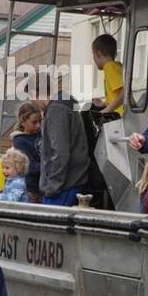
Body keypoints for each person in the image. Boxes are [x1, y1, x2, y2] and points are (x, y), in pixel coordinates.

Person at [39, 78, 89, 206]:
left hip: (64, 186)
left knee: (49, 223)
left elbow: (60, 153)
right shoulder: (65, 106)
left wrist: (52, 187)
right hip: (69, 182)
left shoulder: (56, 111)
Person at [11, 101, 44, 202]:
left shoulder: (41, 135)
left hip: (44, 187)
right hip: (32, 191)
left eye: (40, 121)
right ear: (23, 122)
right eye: (34, 122)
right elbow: (30, 167)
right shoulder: (20, 141)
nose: (38, 125)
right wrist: (51, 166)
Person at [90, 33, 125, 117]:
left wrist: (106, 110)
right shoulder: (116, 66)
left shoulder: (110, 68)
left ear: (98, 54)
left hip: (118, 116)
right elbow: (116, 95)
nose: (93, 58)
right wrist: (104, 104)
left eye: (93, 54)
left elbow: (124, 93)